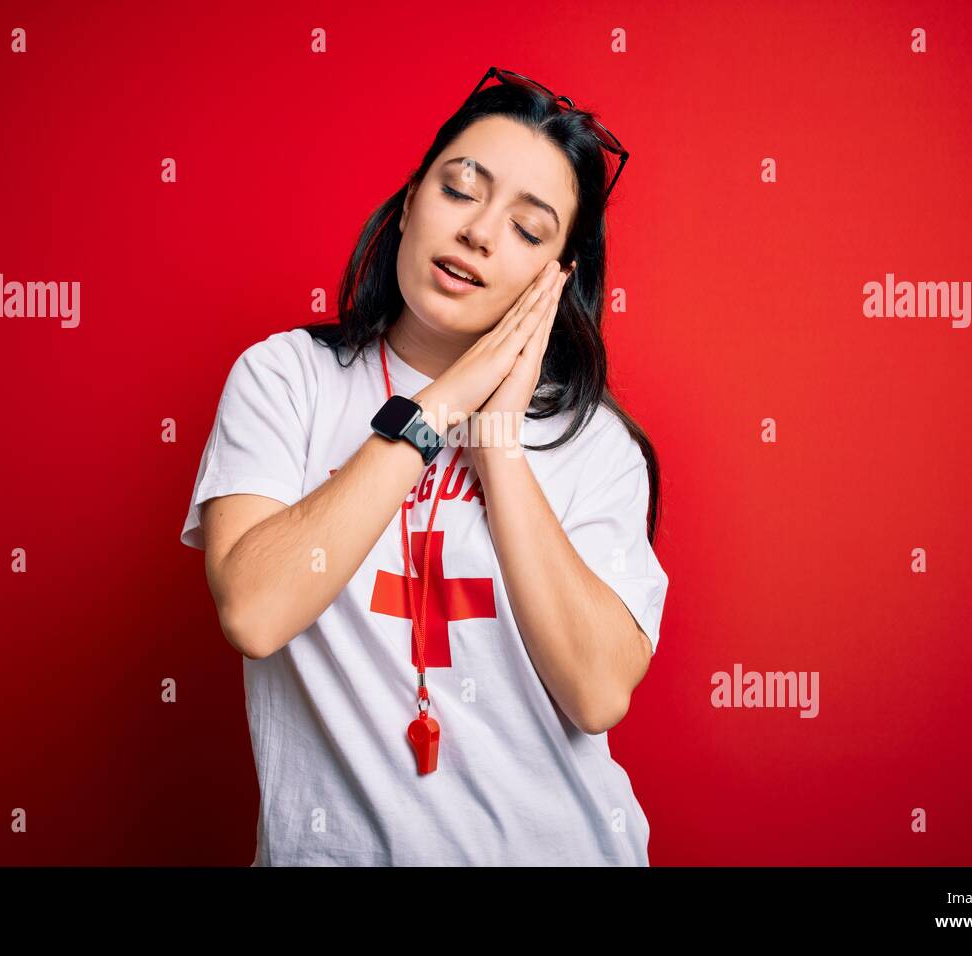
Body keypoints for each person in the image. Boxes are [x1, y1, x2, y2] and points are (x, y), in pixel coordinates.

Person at [179, 67, 669, 865]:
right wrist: (440, 406)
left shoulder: (595, 444)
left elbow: (596, 690)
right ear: (411, 203)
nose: (478, 232)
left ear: (557, 277)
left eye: (528, 228)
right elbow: (256, 612)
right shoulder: (286, 378)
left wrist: (500, 441)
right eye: (460, 189)